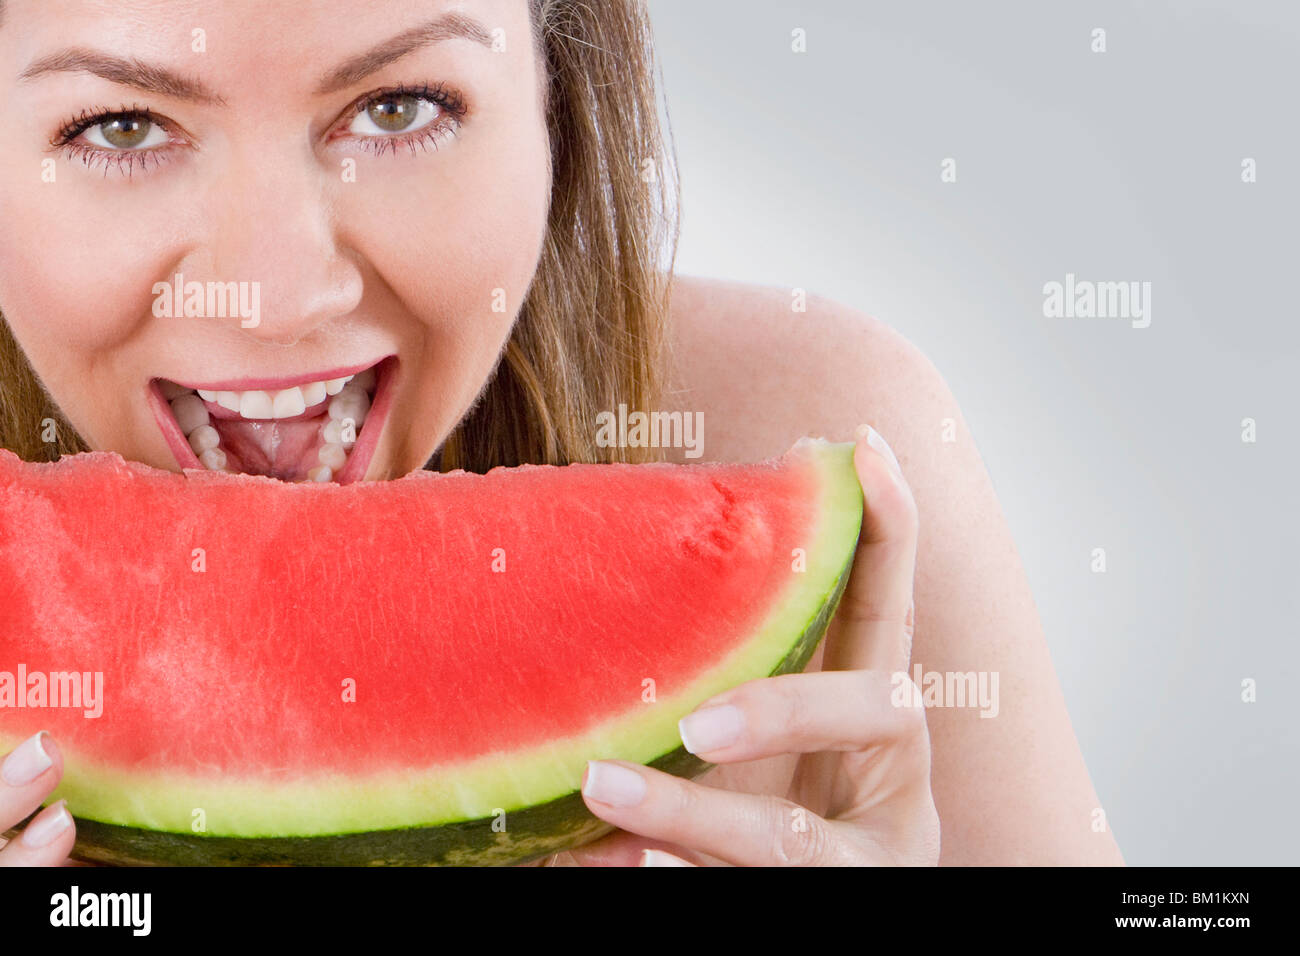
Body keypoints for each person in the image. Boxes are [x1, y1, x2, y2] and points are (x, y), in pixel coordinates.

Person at [0, 0, 1122, 866]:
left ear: (557, 101)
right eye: (121, 125)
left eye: (399, 108)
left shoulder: (814, 426)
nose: (277, 293)